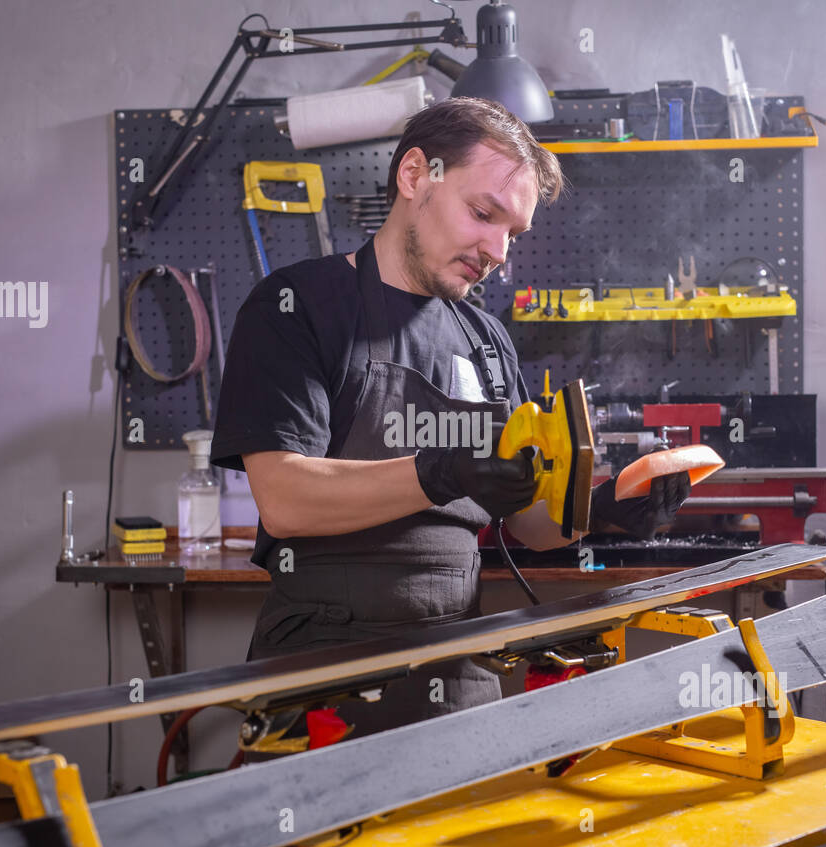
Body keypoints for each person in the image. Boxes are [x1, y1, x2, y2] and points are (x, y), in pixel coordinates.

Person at [210, 96, 690, 745]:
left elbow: (526, 521)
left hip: (462, 670)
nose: (496, 250)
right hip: (321, 672)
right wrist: (441, 469)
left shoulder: (488, 341)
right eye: (482, 214)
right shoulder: (297, 308)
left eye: (512, 234)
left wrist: (601, 511)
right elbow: (286, 501)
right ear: (414, 176)